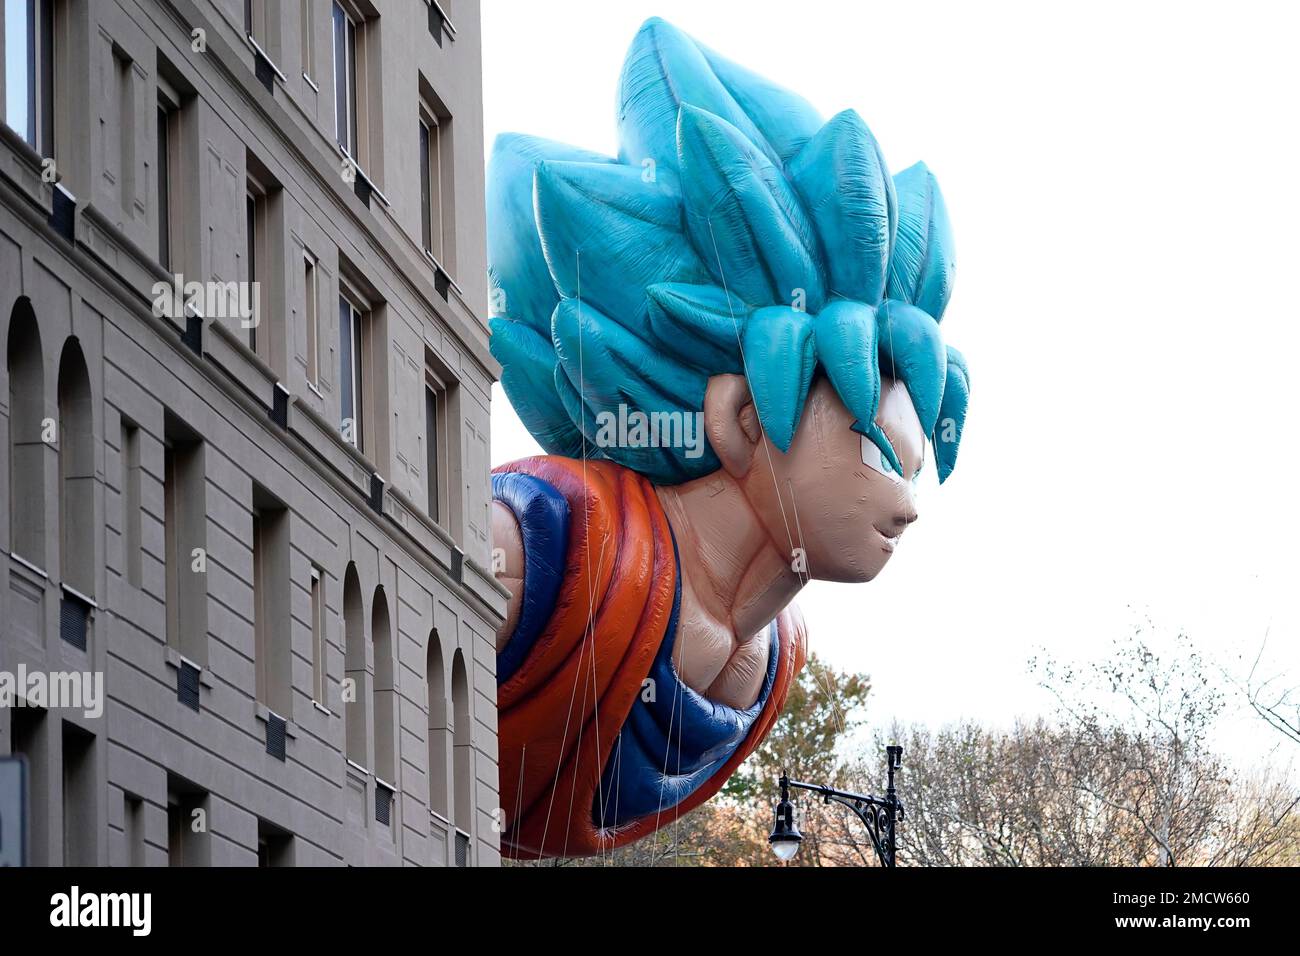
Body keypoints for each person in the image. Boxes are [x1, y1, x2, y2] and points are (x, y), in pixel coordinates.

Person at [486, 17, 969, 859]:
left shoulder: (769, 659)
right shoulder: (547, 549)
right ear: (744, 421)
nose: (906, 505)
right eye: (878, 454)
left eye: (913, 465)